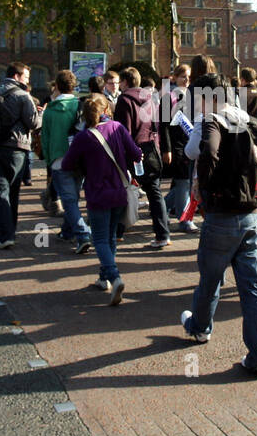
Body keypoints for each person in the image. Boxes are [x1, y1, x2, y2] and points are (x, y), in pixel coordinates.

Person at [178, 73, 257, 375]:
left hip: (221, 214)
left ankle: (200, 327)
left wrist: (204, 188)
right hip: (250, 213)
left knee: (210, 278)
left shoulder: (212, 121)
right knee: (253, 286)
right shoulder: (246, 120)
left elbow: (207, 151)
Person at [60, 93, 140, 306]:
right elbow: (136, 153)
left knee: (100, 240)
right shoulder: (117, 128)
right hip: (119, 192)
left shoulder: (82, 137)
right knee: (111, 237)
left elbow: (67, 165)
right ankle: (104, 277)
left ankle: (114, 277)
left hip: (97, 194)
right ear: (106, 110)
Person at [0, 62, 42, 250]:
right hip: (15, 149)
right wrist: (42, 115)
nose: (27, 81)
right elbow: (33, 123)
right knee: (13, 192)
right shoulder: (23, 95)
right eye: (26, 77)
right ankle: (11, 232)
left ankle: (4, 235)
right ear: (17, 76)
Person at [113, 67, 170, 249]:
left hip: (133, 148)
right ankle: (162, 233)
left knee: (123, 188)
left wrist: (123, 154)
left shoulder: (124, 99)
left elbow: (124, 131)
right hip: (151, 148)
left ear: (125, 82)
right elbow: (157, 125)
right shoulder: (151, 98)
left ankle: (117, 231)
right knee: (154, 192)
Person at [41, 69, 91, 254]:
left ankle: (82, 234)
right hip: (79, 158)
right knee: (74, 198)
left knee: (69, 200)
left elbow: (44, 138)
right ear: (74, 86)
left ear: (57, 86)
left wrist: (48, 158)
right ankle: (67, 231)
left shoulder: (50, 110)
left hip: (58, 159)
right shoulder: (81, 106)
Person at [163, 64, 198, 232]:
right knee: (183, 183)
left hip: (190, 143)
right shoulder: (168, 97)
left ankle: (160, 207)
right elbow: (164, 126)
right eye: (183, 76)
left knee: (182, 184)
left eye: (189, 76)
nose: (187, 79)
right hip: (176, 146)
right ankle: (184, 219)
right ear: (175, 77)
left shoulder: (194, 96)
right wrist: (167, 148)